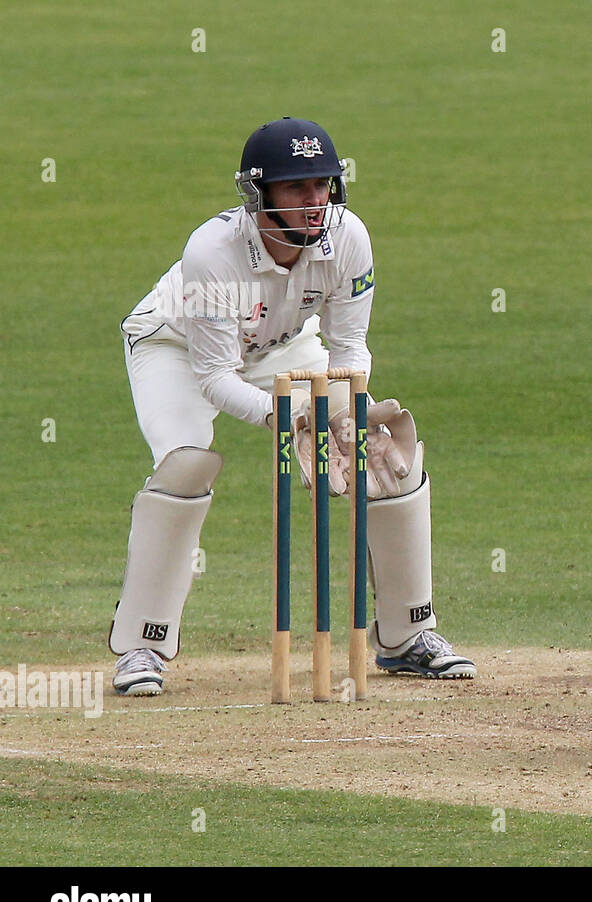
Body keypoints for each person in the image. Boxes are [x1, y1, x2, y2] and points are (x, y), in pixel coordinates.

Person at [110, 117, 475, 696]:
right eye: (297, 188)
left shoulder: (349, 236)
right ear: (259, 196)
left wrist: (345, 411)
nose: (315, 200)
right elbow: (213, 376)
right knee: (185, 463)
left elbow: (351, 349)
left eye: (323, 184)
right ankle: (142, 646)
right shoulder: (212, 251)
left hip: (284, 347)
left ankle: (408, 636)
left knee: (378, 448)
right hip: (176, 347)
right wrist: (289, 419)